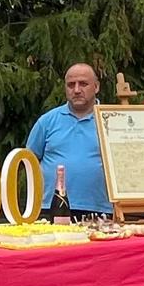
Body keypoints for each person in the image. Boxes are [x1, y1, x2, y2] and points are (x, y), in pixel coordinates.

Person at [25, 63, 111, 219]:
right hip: (50, 208)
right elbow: (28, 161)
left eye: (83, 84)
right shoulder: (47, 121)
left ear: (96, 87)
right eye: (71, 85)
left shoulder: (111, 120)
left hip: (99, 208)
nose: (77, 90)